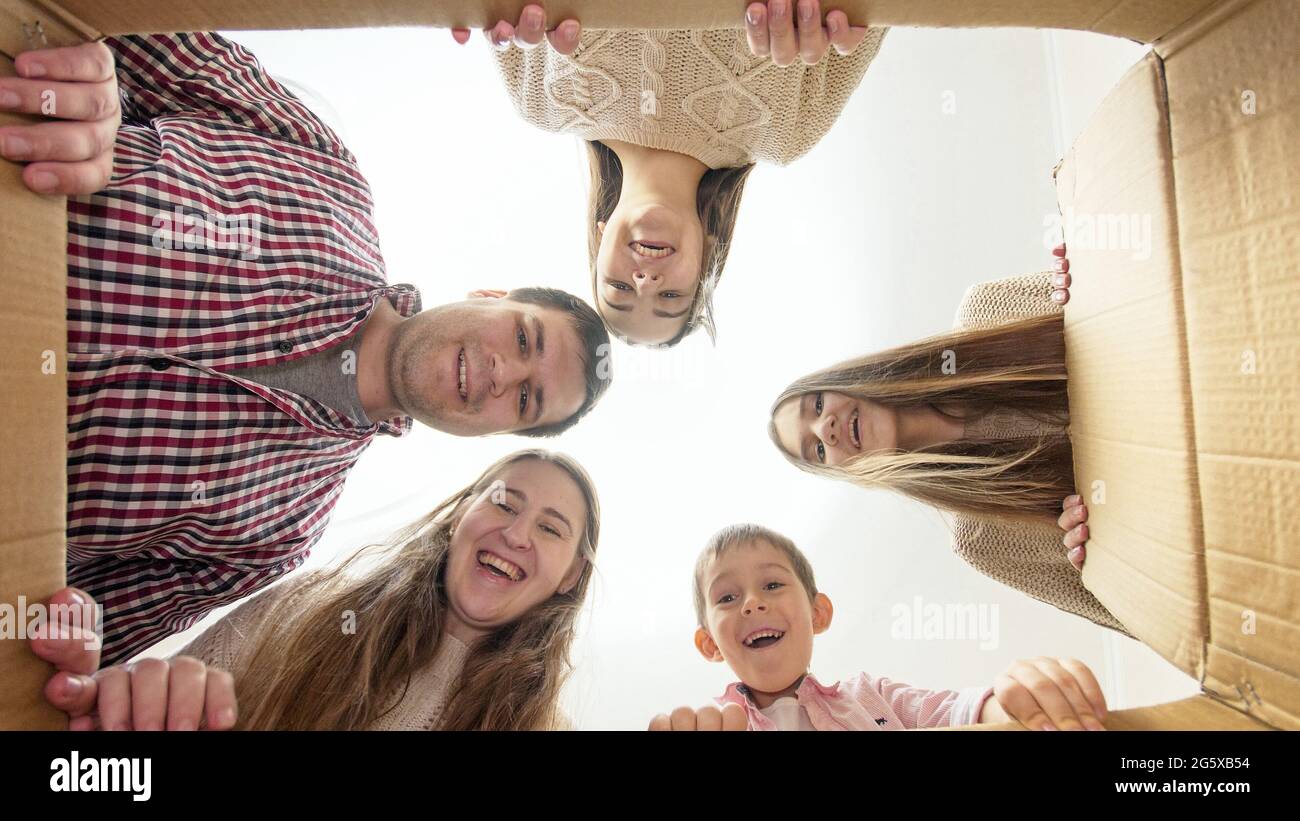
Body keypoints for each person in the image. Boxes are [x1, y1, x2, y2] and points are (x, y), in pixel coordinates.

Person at [3, 33, 612, 664]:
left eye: (524, 398)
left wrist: (66, 645)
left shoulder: (277, 538)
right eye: (521, 338)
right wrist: (96, 86)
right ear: (490, 294)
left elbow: (58, 648)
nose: (500, 372)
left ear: (495, 432)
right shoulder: (321, 166)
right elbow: (121, 29)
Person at [33, 449, 600, 731]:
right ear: (459, 518)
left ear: (571, 575)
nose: (516, 532)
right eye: (503, 501)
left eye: (551, 528)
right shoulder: (310, 609)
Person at [455, 2, 887, 345]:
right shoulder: (789, 129)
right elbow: (887, 14)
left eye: (619, 288)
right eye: (670, 297)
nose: (644, 280)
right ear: (708, 256)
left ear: (600, 236)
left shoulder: (540, 100)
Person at [768, 246, 1130, 634]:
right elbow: (1126, 614)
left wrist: (1092, 270)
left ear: (843, 379)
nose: (827, 429)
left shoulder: (986, 312)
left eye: (818, 404)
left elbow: (1131, 288)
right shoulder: (982, 539)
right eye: (817, 450)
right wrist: (1096, 552)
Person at [650, 523, 1110, 731]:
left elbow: (958, 714)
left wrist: (1013, 703)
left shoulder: (874, 697)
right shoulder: (711, 727)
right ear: (709, 643)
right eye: (727, 598)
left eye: (771, 584)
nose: (752, 603)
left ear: (818, 613)